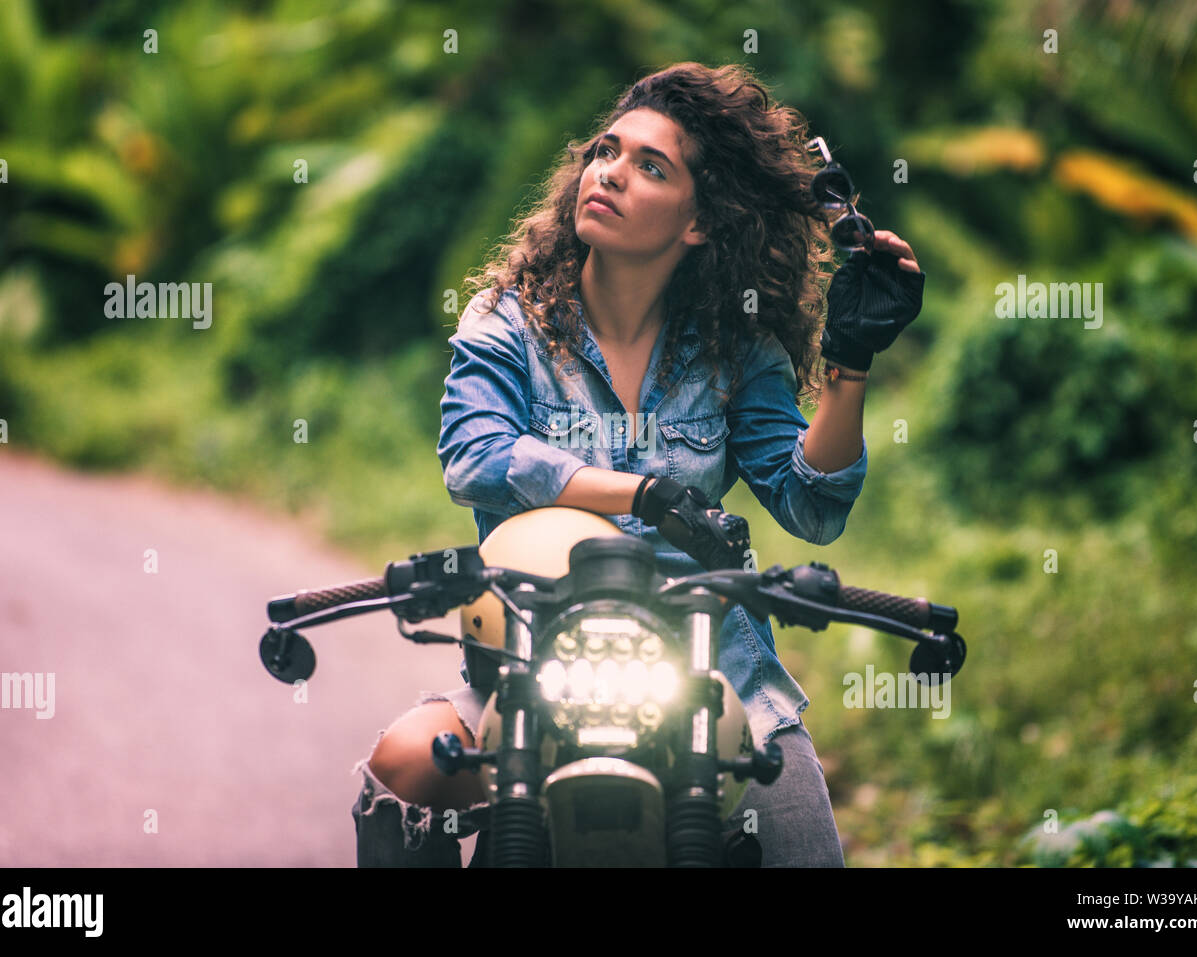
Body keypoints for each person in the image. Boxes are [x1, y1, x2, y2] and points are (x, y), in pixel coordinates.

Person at [352, 61, 924, 867]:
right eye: (607, 151)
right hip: (531, 666)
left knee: (805, 849)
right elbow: (476, 455)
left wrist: (852, 362)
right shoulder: (506, 322)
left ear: (698, 222)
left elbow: (811, 505)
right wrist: (647, 495)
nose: (611, 173)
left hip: (709, 674)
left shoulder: (737, 352)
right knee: (404, 765)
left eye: (650, 166)